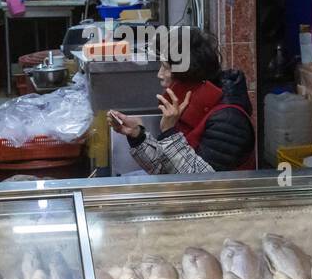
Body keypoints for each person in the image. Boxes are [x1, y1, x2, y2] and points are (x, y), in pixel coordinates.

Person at [107, 28, 256, 174]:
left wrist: (170, 133)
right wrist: (138, 135)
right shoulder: (191, 105)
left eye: (165, 68)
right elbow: (165, 168)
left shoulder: (229, 121)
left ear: (185, 73)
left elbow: (204, 183)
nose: (159, 74)